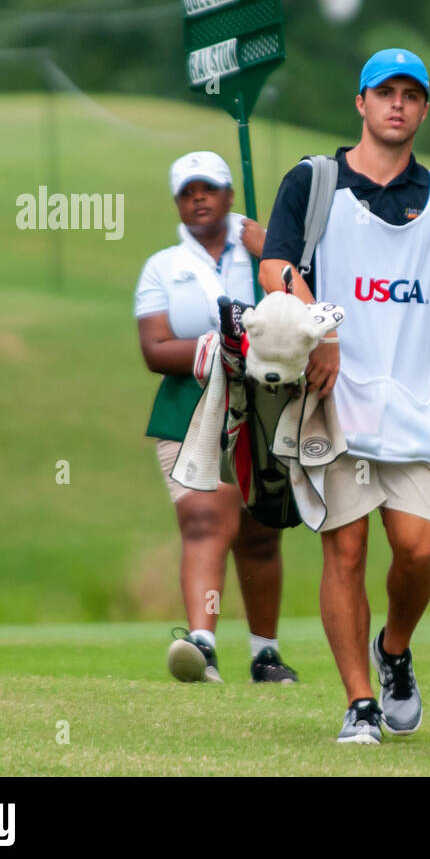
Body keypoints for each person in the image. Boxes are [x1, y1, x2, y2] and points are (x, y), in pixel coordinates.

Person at [259, 48, 430, 744]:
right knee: (345, 553)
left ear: (425, 108)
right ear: (361, 104)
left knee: (418, 552)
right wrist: (323, 330)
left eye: (411, 94)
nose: (397, 103)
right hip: (332, 401)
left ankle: (394, 648)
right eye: (384, 92)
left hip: (411, 408)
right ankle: (360, 702)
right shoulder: (313, 183)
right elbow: (276, 263)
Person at [134, 151, 297, 684]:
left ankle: (265, 654)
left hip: (264, 406)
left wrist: (273, 253)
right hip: (190, 406)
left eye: (209, 188)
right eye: (187, 191)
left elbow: (299, 314)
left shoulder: (265, 255)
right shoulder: (164, 267)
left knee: (259, 532)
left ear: (230, 196)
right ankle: (202, 645)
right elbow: (156, 348)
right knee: (205, 520)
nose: (198, 198)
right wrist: (220, 346)